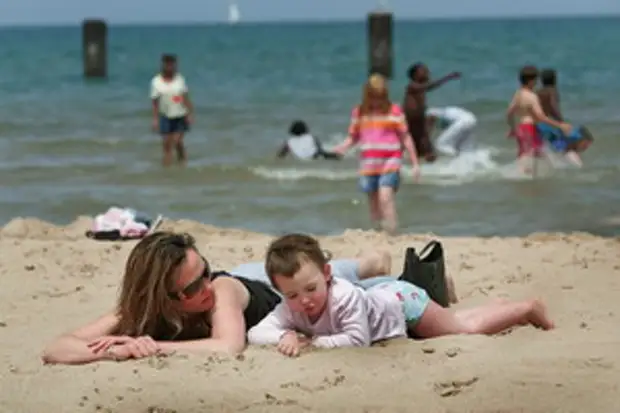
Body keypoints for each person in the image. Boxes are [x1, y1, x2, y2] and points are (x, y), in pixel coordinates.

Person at [41, 232, 393, 365]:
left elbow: (227, 346)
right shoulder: (140, 308)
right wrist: (117, 352)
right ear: (161, 297)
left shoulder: (218, 288)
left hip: (276, 290)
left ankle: (372, 260)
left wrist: (153, 345)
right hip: (256, 280)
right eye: (193, 287)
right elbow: (57, 347)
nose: (205, 286)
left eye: (204, 270)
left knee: (357, 276)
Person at [247, 234, 555, 357]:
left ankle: (527, 308)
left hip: (404, 303)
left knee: (463, 331)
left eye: (311, 289)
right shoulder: (291, 306)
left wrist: (312, 342)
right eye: (292, 294)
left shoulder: (345, 296)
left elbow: (358, 339)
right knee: (453, 320)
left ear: (328, 274)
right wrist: (285, 333)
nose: (304, 301)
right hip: (388, 300)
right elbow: (256, 331)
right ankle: (497, 307)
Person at [333, 73, 420, 234]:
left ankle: (392, 231)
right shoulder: (359, 113)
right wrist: (341, 148)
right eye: (373, 98)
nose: (376, 102)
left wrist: (415, 163)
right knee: (373, 202)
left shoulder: (394, 111)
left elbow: (405, 137)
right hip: (368, 164)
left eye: (380, 98)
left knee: (385, 197)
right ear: (367, 95)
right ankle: (378, 231)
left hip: (390, 161)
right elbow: (353, 137)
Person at [506, 66, 572, 174]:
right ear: (531, 81)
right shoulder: (532, 96)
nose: (536, 83)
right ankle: (525, 179)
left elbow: (509, 113)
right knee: (529, 157)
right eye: (535, 80)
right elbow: (540, 117)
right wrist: (560, 125)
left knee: (536, 154)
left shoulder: (518, 94)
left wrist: (512, 129)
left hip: (521, 129)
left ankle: (537, 179)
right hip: (530, 129)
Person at [403, 63, 461, 163]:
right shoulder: (412, 86)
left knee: (422, 143)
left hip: (418, 119)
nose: (427, 73)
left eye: (427, 71)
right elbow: (430, 85)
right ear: (415, 75)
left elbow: (431, 86)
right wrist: (448, 77)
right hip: (412, 120)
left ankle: (422, 163)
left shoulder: (420, 87)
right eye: (423, 71)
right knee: (423, 144)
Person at [536, 69, 593, 167]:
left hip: (538, 124)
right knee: (570, 143)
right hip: (550, 124)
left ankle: (555, 164)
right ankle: (577, 166)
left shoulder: (537, 92)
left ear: (541, 80)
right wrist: (561, 122)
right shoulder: (552, 91)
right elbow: (553, 107)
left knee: (552, 145)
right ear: (555, 79)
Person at [150, 54, 194, 166]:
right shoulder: (156, 82)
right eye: (167, 64)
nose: (170, 67)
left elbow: (185, 97)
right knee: (167, 144)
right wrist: (155, 119)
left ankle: (182, 161)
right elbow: (155, 102)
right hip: (165, 115)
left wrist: (189, 114)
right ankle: (166, 166)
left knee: (177, 141)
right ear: (163, 65)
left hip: (180, 114)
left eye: (172, 64)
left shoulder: (179, 79)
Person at [277, 120, 342, 160]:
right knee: (324, 153)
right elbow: (320, 151)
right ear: (305, 129)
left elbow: (280, 155)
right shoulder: (312, 138)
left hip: (300, 159)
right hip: (313, 157)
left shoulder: (289, 142)